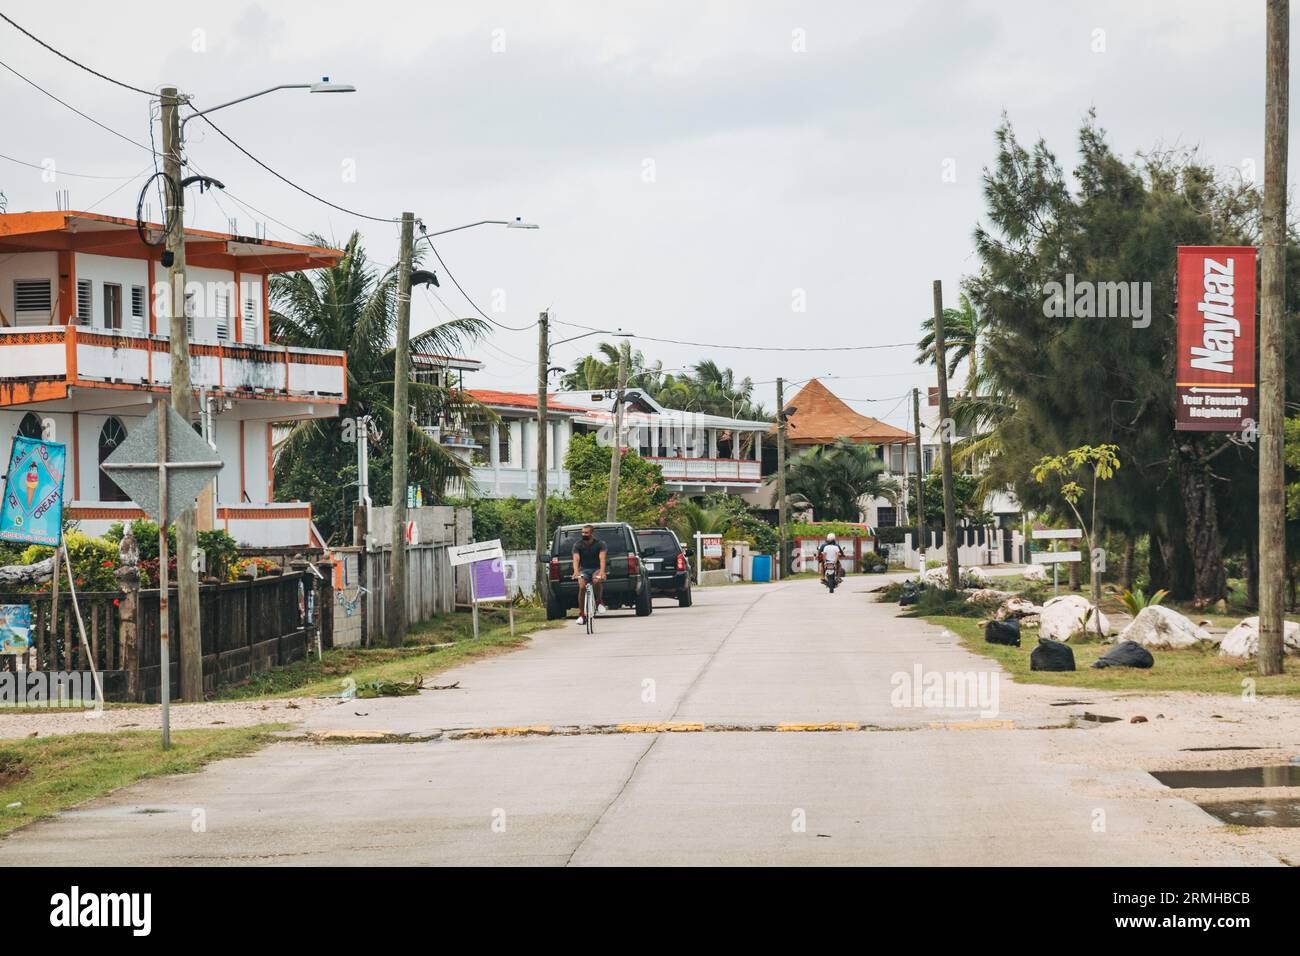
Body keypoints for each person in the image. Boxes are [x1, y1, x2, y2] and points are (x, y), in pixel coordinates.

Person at [571, 524, 607, 626]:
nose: (583, 534)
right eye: (582, 532)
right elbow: (576, 559)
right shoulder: (578, 545)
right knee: (582, 586)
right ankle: (582, 614)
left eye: (586, 533)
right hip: (584, 570)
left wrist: (602, 571)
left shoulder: (600, 544)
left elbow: (602, 559)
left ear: (592, 533)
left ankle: (599, 601)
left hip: (596, 569)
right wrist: (576, 571)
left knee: (596, 580)